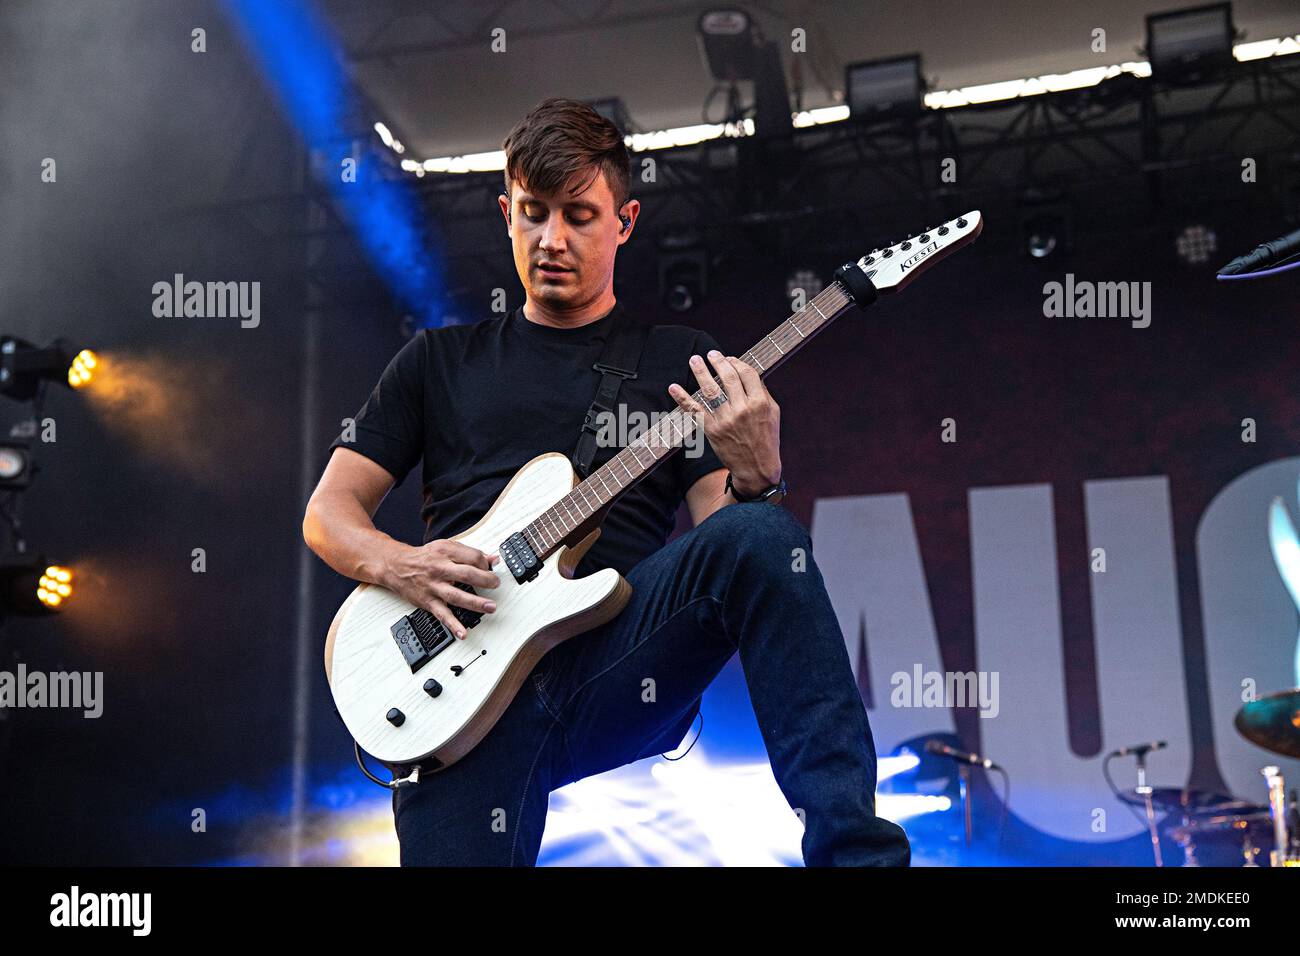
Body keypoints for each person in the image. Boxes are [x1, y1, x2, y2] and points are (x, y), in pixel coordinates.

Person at [302, 97, 910, 867]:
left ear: (624, 221)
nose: (552, 238)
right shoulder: (436, 360)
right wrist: (401, 563)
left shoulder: (679, 361)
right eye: (534, 213)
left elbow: (723, 535)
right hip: (458, 696)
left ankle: (857, 856)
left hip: (612, 663)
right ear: (506, 213)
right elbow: (328, 513)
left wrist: (761, 477)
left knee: (762, 536)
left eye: (579, 216)